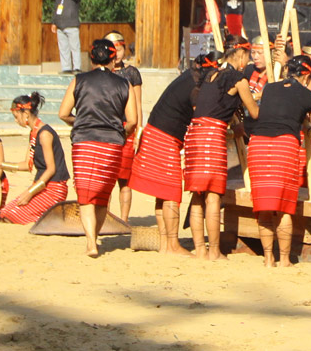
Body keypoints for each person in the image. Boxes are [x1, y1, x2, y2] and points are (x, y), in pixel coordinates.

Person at [58, 38, 137, 257]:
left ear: (91, 59)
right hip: (111, 144)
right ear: (114, 59)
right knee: (102, 194)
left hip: (84, 142)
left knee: (85, 194)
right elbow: (132, 121)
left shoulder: (79, 80)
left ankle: (91, 242)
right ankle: (95, 237)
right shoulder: (124, 84)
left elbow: (63, 113)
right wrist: (121, 133)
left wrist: (82, 120)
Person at [183, 38, 257, 260]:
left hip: (194, 134)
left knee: (197, 194)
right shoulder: (237, 78)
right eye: (248, 55)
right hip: (210, 137)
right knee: (213, 195)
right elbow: (254, 111)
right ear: (241, 54)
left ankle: (200, 249)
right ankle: (214, 250)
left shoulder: (211, 75)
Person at [246, 54, 311, 267]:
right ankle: (285, 259)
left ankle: (269, 258)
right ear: (307, 76)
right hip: (284, 147)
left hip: (258, 145)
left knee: (263, 206)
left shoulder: (270, 88)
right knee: (284, 207)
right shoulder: (310, 96)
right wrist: (306, 126)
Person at [128, 54, 203, 255]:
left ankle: (165, 244)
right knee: (170, 192)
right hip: (163, 136)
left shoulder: (188, 77)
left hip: (157, 131)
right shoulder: (194, 85)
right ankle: (172, 244)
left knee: (163, 192)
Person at [0, 92, 71, 225]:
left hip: (54, 188)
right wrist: (0, 165)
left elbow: (51, 169)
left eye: (16, 116)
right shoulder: (34, 133)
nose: (16, 120)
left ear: (25, 114)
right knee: (4, 212)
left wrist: (30, 193)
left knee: (11, 215)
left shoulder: (44, 134)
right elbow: (27, 165)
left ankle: (50, 218)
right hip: (41, 186)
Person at [103, 31, 143, 223]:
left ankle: (124, 220)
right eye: (113, 49)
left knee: (125, 180)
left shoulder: (131, 73)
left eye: (119, 48)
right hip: (107, 127)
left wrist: (138, 132)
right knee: (106, 179)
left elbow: (138, 104)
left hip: (127, 127)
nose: (116, 53)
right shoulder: (102, 73)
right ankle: (106, 218)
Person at [51, 0, 82, 74]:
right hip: (60, 25)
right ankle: (66, 68)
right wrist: (54, 22)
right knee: (63, 48)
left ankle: (77, 67)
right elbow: (56, 9)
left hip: (72, 25)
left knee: (74, 47)